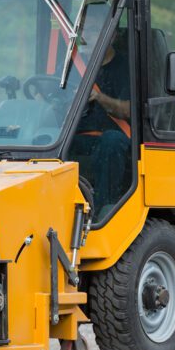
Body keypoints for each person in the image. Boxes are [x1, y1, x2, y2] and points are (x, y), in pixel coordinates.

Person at [69, 32, 132, 218]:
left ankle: (103, 210)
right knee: (41, 139)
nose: (86, 37)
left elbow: (128, 110)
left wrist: (98, 97)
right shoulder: (71, 65)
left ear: (112, 36)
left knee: (112, 142)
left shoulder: (126, 67)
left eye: (94, 30)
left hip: (111, 137)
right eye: (84, 31)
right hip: (73, 136)